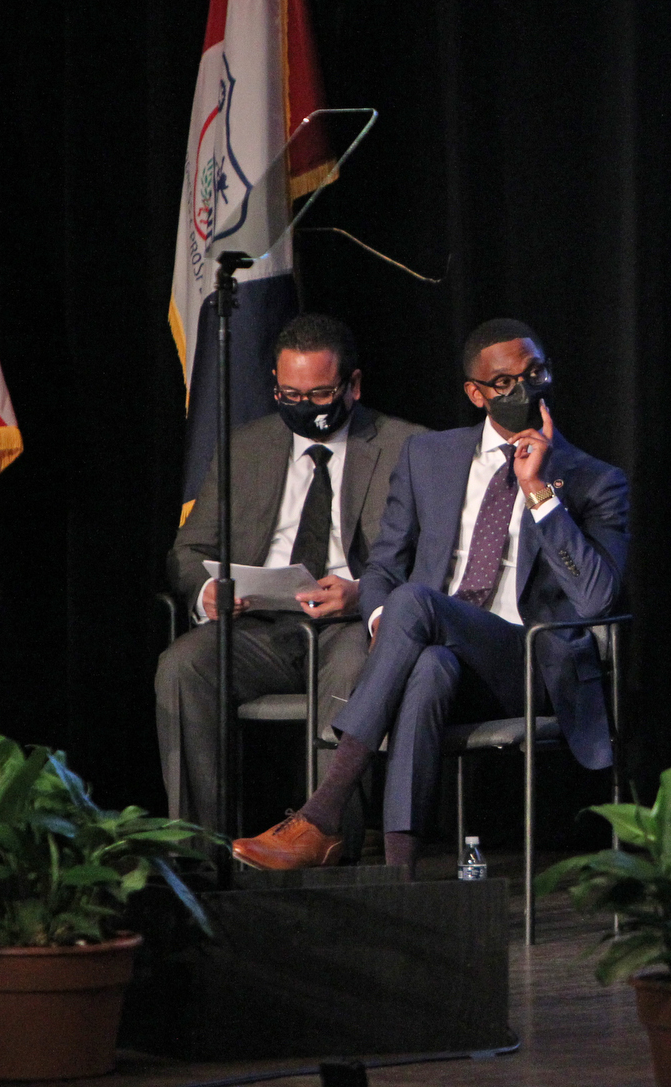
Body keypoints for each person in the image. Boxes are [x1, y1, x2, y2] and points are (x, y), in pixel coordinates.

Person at [230, 318, 630, 877]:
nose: (524, 389)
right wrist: (379, 623)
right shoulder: (429, 457)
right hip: (445, 653)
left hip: (529, 663)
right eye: (505, 381)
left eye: (534, 373)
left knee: (416, 603)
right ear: (475, 392)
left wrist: (539, 491)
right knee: (429, 668)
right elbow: (383, 568)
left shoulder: (594, 480)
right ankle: (404, 879)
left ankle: (322, 811)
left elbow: (596, 599)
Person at [156, 313, 427, 832]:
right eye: (290, 395)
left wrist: (363, 594)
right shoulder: (245, 447)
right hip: (260, 625)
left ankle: (327, 840)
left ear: (353, 385)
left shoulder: (406, 447)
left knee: (353, 667)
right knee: (181, 666)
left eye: (321, 395)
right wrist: (209, 589)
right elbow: (189, 549)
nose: (304, 408)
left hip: (349, 625)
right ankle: (197, 849)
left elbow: (435, 560)